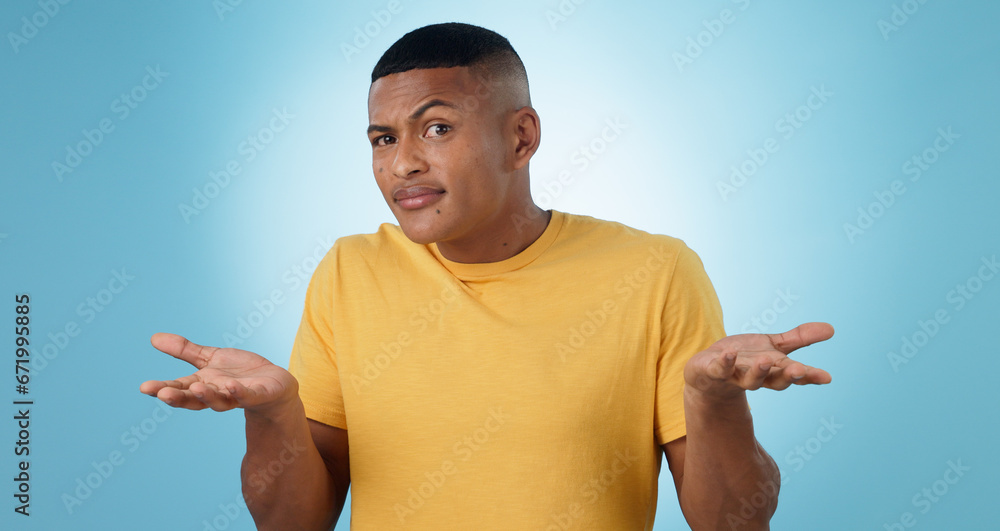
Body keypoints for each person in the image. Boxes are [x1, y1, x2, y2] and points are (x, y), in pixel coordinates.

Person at [140, 22, 834, 530]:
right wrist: (272, 414)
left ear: (520, 137)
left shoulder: (655, 272)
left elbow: (734, 522)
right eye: (384, 138)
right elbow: (293, 523)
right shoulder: (350, 271)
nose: (403, 163)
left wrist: (713, 403)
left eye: (437, 128)